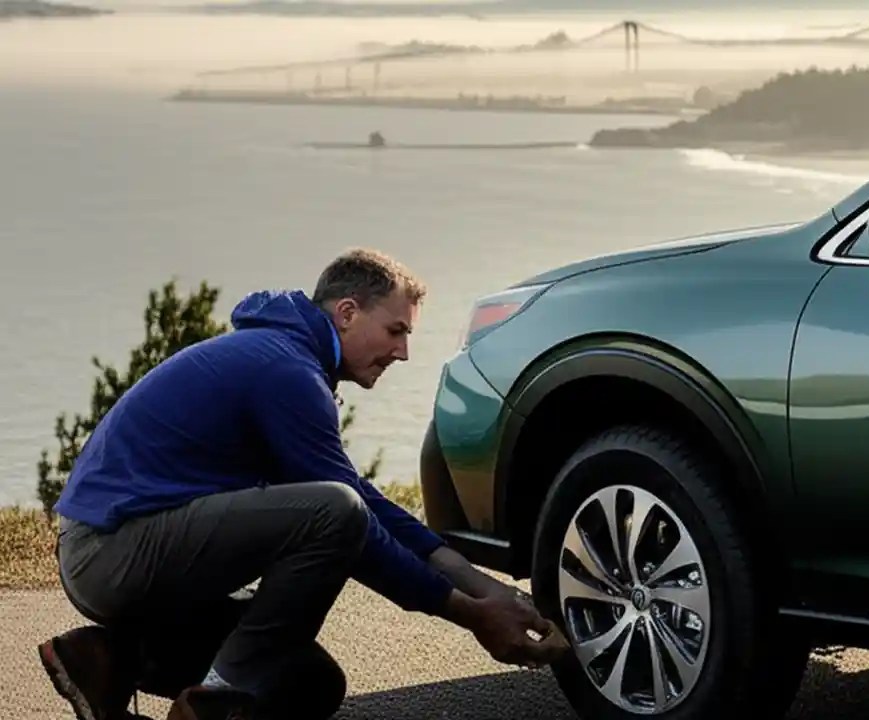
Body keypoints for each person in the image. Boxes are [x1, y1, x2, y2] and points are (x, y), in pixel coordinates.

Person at [37, 248, 570, 720]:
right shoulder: (284, 370)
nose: (403, 352)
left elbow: (366, 503)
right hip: (112, 552)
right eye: (396, 330)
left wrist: (485, 587)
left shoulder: (285, 361)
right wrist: (471, 615)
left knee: (309, 685)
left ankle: (105, 661)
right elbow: (349, 522)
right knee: (333, 515)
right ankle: (216, 704)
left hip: (134, 557)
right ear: (347, 313)